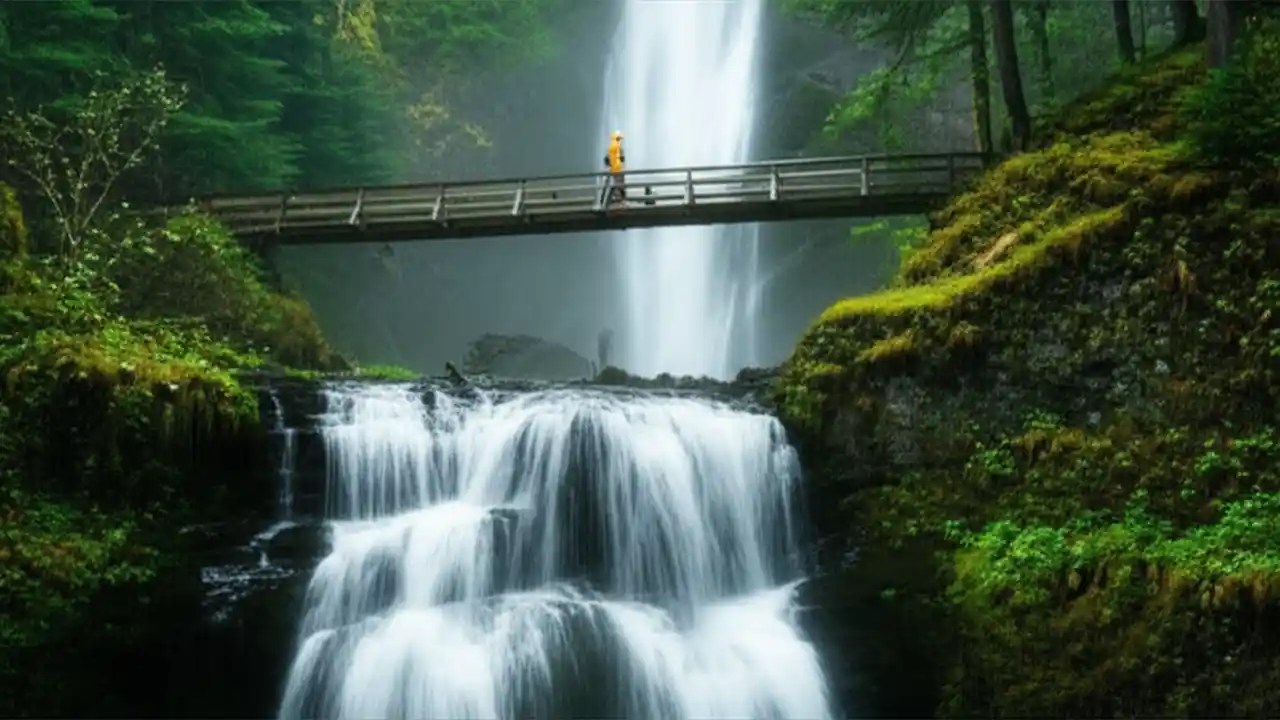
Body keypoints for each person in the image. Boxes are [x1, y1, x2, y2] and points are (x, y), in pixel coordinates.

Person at [602, 130, 626, 206]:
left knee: (616, 185)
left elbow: (606, 160)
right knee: (617, 185)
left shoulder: (613, 148)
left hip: (615, 170)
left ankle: (612, 200)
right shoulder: (616, 148)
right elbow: (622, 159)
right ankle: (618, 200)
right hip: (616, 170)